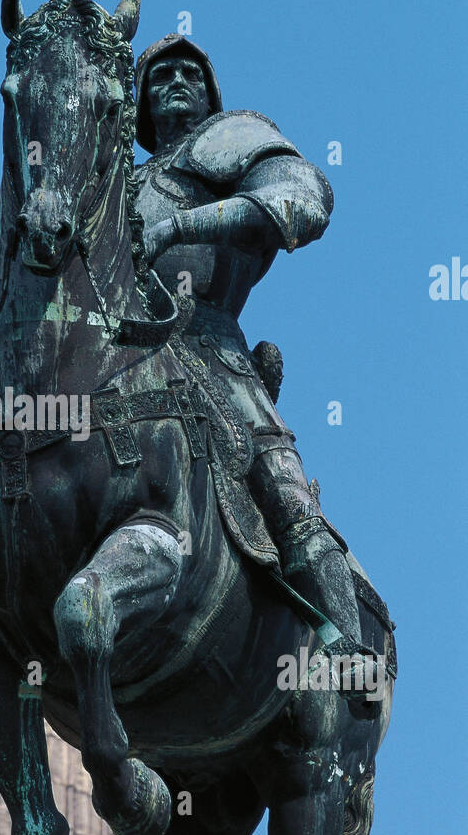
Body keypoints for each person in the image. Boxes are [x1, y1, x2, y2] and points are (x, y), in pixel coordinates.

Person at [131, 34, 371, 673]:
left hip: (211, 351)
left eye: (190, 73)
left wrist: (182, 225)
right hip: (121, 353)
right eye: (160, 76)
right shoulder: (116, 186)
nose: (176, 81)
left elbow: (304, 197)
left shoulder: (232, 141)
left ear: (211, 95)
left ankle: (346, 643)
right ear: (139, 103)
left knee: (282, 485)